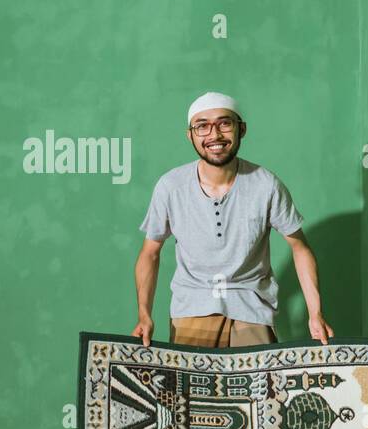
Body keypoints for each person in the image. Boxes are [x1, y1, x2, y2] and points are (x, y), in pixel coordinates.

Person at [131, 92, 333, 348]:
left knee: (258, 388)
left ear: (242, 129)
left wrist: (315, 313)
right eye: (202, 126)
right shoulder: (170, 186)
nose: (214, 135)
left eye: (224, 123)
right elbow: (150, 252)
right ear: (190, 135)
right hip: (191, 309)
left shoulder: (266, 184)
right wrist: (144, 314)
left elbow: (299, 247)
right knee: (192, 389)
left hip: (252, 310)